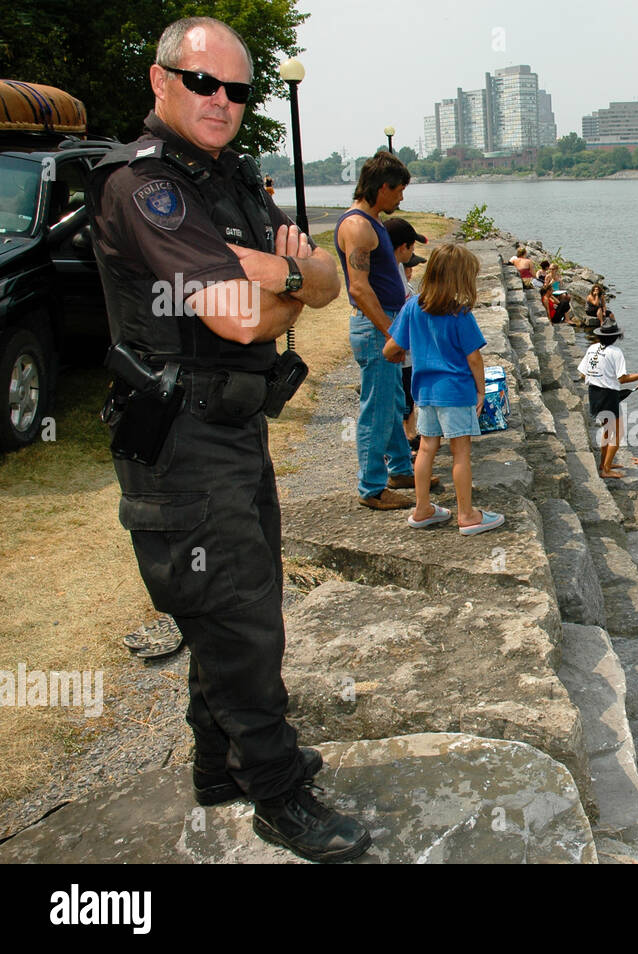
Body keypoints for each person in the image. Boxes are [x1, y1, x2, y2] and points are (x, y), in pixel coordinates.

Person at [87, 15, 369, 862]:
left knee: (233, 604)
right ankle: (277, 792)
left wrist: (279, 272)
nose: (221, 100)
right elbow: (241, 317)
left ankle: (218, 768)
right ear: (161, 80)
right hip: (181, 440)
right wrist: (280, 281)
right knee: (241, 621)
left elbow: (324, 280)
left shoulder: (229, 177)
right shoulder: (146, 187)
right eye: (203, 82)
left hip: (235, 429)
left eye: (237, 89)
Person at [383, 243, 503, 536]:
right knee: (460, 452)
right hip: (456, 392)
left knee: (426, 448)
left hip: (424, 391)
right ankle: (467, 515)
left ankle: (422, 508)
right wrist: (480, 391)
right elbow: (474, 358)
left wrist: (399, 354)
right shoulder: (459, 314)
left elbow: (390, 349)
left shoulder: (413, 307)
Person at [335, 150, 419, 510]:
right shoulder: (357, 227)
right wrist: (391, 334)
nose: (401, 198)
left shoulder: (373, 223)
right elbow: (359, 287)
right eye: (398, 190)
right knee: (377, 409)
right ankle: (371, 487)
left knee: (394, 401)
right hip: (375, 328)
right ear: (383, 187)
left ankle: (400, 469)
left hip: (385, 322)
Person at [578, 321, 638, 478]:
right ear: (615, 337)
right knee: (618, 433)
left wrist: (600, 379)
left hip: (594, 393)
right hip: (608, 395)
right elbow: (622, 378)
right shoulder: (616, 352)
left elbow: (583, 374)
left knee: (607, 430)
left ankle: (604, 463)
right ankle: (606, 470)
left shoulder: (592, 348)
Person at [384, 217, 431, 458]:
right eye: (411, 247)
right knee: (399, 398)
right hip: (400, 350)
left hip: (405, 350)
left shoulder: (397, 273)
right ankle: (400, 443)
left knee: (406, 397)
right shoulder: (391, 275)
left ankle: (407, 438)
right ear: (403, 247)